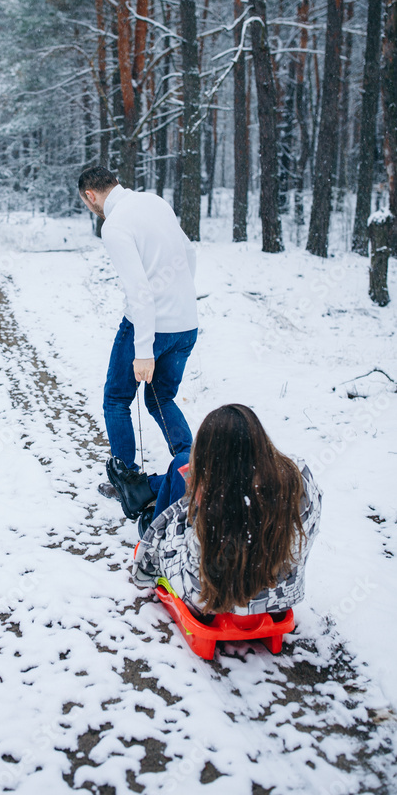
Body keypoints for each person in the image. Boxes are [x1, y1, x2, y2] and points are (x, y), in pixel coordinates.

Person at [78, 165, 198, 525]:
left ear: (90, 196)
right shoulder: (154, 202)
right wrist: (178, 295)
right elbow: (189, 252)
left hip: (149, 328)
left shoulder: (113, 226)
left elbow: (140, 293)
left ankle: (127, 480)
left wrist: (143, 350)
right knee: (161, 398)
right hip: (186, 324)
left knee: (117, 399)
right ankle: (194, 470)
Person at [132, 404, 323, 616]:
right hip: (283, 596)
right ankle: (146, 493)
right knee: (182, 467)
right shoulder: (299, 477)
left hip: (211, 602)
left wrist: (190, 508)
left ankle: (148, 516)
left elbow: (188, 568)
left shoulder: (215, 505)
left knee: (180, 465)